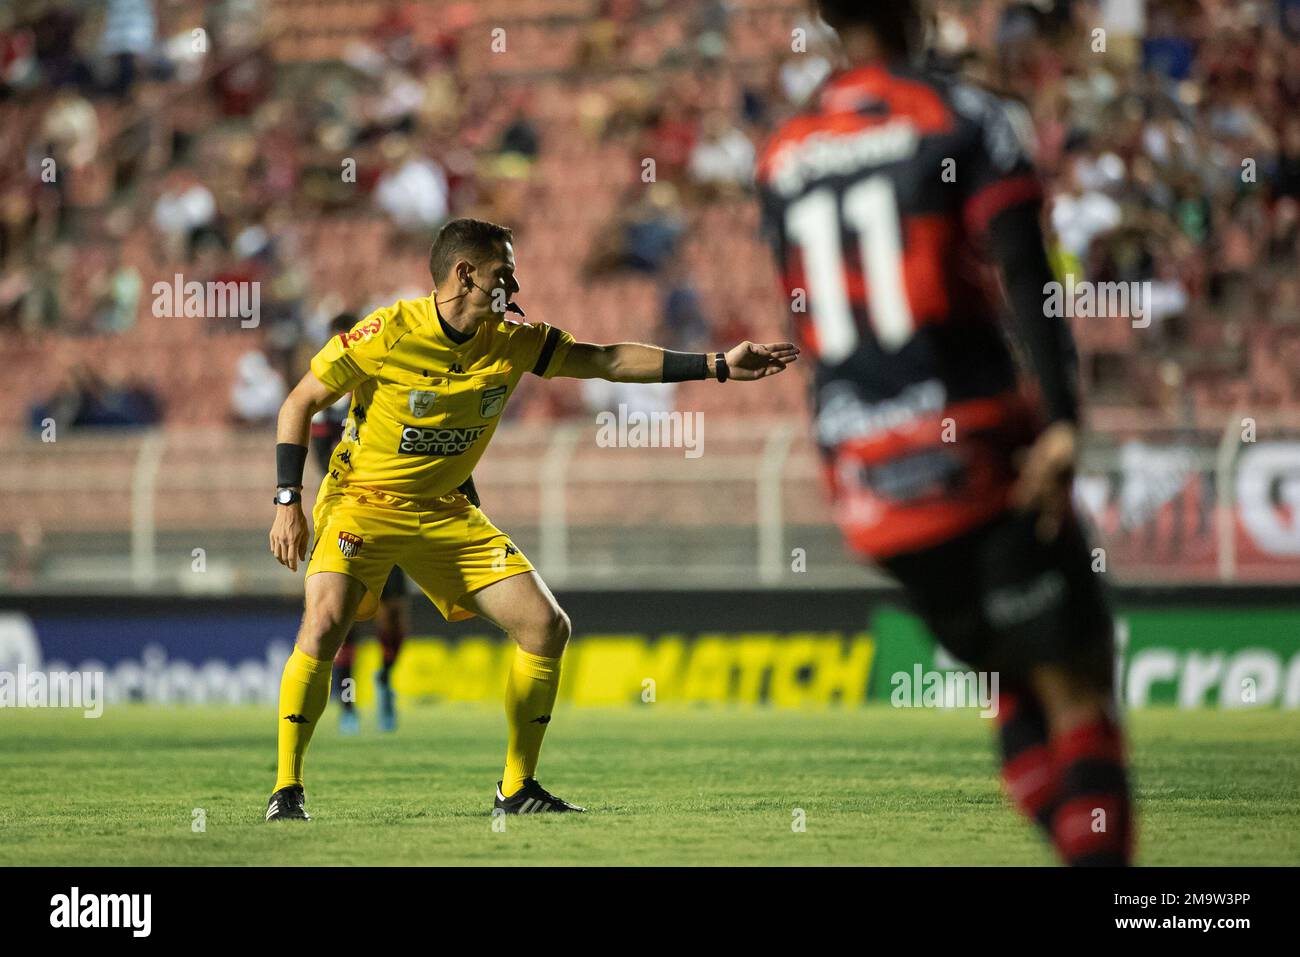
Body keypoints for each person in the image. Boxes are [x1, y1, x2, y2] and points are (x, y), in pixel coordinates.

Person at [756, 1, 1132, 865]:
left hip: (865, 479)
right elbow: (1030, 275)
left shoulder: (781, 154)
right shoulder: (961, 117)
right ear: (912, 12)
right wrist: (1065, 421)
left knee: (1013, 688)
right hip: (972, 453)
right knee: (1077, 691)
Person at [266, 217, 798, 820]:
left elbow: (607, 361)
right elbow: (299, 402)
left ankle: (516, 788)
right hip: (363, 501)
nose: (514, 279)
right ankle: (287, 790)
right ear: (465, 275)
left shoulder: (514, 338)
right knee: (327, 620)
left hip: (447, 511)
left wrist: (717, 365)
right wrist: (288, 501)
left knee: (546, 628)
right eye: (503, 268)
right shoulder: (386, 332)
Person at [310, 313, 410, 735]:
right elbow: (322, 463)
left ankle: (385, 680)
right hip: (347, 518)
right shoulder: (326, 407)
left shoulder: (388, 393)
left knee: (394, 616)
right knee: (342, 615)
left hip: (392, 516)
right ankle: (347, 703)